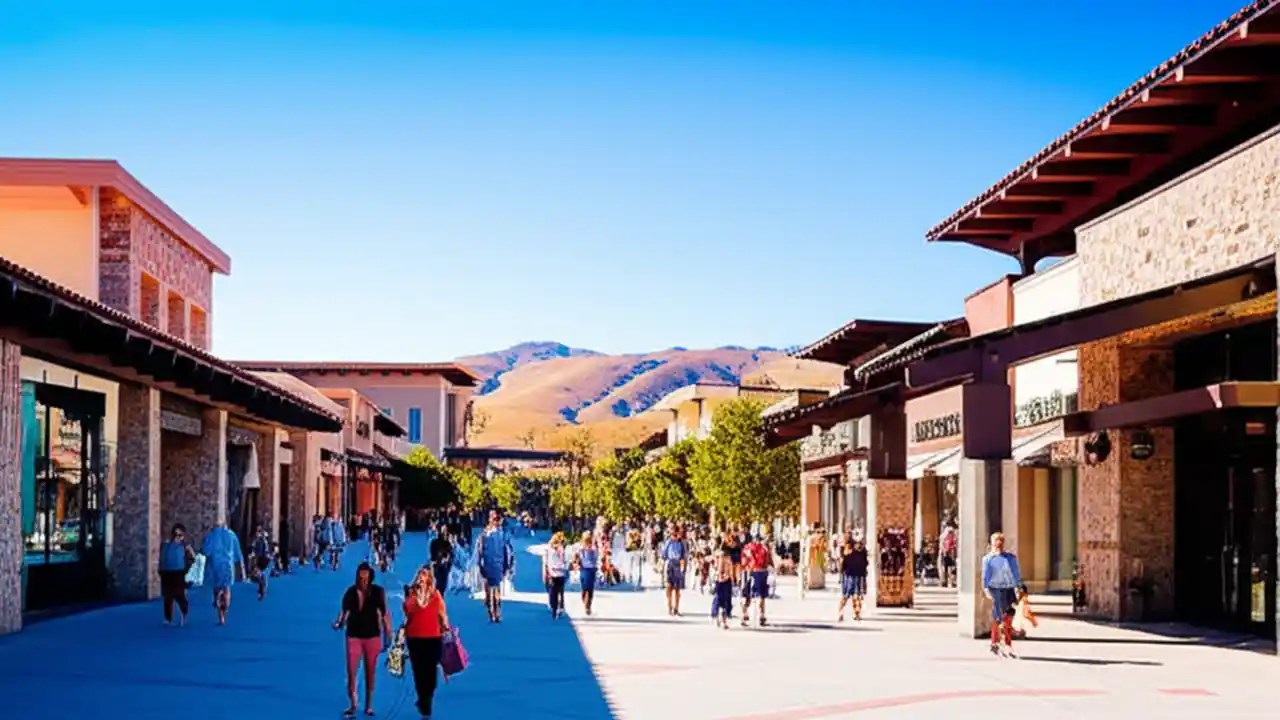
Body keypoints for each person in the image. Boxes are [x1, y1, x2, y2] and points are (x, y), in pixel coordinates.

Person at [333, 562, 392, 718]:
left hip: (372, 636)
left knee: (370, 672)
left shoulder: (378, 592)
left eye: (365, 577)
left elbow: (385, 613)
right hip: (354, 636)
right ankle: (353, 703)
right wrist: (339, 623)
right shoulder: (351, 593)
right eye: (360, 577)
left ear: (370, 577)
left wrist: (388, 633)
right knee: (351, 671)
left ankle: (369, 706)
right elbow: (344, 612)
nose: (362, 580)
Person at [403, 566, 450, 720]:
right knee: (418, 672)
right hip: (415, 638)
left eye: (424, 578)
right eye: (419, 578)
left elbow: (443, 614)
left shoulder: (436, 596)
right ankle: (424, 704)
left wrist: (446, 628)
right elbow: (407, 610)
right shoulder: (411, 595)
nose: (421, 581)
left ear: (429, 580)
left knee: (430, 674)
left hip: (433, 638)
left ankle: (425, 698)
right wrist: (414, 594)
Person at [982, 532, 1023, 656]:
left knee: (1006, 616)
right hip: (995, 588)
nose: (998, 544)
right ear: (992, 543)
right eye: (996, 541)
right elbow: (985, 575)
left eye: (1000, 541)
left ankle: (998, 642)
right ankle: (1001, 642)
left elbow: (1016, 572)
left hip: (1008, 588)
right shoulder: (988, 559)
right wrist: (986, 588)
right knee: (1002, 616)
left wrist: (1018, 587)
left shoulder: (1010, 558)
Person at [201, 523, 244, 626]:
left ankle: (220, 614)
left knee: (216, 587)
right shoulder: (231, 535)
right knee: (227, 589)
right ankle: (226, 608)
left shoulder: (211, 536)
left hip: (215, 565)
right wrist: (238, 562)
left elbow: (206, 551)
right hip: (227, 565)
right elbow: (237, 551)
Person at [477, 510, 513, 623]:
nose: (497, 522)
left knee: (495, 588)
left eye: (498, 519)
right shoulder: (485, 534)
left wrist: (507, 564)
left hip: (496, 564)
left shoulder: (500, 534)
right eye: (495, 519)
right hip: (491, 563)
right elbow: (480, 550)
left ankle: (495, 612)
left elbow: (507, 550)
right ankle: (493, 611)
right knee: (492, 588)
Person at [158, 523, 195, 627]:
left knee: (179, 595)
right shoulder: (166, 545)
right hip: (167, 572)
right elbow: (162, 557)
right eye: (175, 534)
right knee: (168, 596)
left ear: (183, 536)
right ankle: (168, 618)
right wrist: (160, 569)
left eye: (180, 535)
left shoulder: (185, 546)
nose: (177, 537)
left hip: (179, 573)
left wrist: (187, 570)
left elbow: (193, 559)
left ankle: (184, 614)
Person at [740, 534, 772, 627]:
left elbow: (743, 561)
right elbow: (768, 561)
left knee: (747, 594)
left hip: (750, 572)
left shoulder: (747, 548)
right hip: (761, 572)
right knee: (761, 595)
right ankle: (761, 616)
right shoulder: (764, 548)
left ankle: (744, 615)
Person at [838, 539, 869, 621]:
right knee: (852, 595)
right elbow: (865, 565)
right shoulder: (860, 553)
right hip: (851, 576)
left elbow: (843, 565)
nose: (859, 546)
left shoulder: (854, 553)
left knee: (854, 596)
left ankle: (854, 613)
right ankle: (846, 613)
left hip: (853, 576)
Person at [661, 524, 688, 616]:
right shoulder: (668, 542)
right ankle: (669, 606)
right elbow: (663, 554)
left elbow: (683, 557)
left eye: (676, 535)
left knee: (677, 589)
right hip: (670, 565)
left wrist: (683, 569)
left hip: (678, 565)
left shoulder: (681, 544)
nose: (675, 537)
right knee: (669, 587)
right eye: (673, 535)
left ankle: (676, 608)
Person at [543, 532, 570, 619]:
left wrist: (545, 571)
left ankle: (555, 607)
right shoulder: (560, 548)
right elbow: (565, 561)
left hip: (553, 573)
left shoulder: (550, 548)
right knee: (560, 591)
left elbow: (545, 561)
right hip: (560, 572)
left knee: (553, 591)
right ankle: (560, 608)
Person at [574, 531, 600, 616]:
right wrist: (576, 562)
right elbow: (576, 556)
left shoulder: (593, 548)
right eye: (586, 540)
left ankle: (588, 606)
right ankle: (585, 603)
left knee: (590, 588)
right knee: (584, 588)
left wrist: (593, 549)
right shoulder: (580, 548)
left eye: (589, 540)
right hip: (583, 569)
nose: (587, 542)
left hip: (591, 569)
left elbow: (596, 557)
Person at [710, 549, 734, 629]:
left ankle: (722, 620)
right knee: (720, 600)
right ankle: (719, 618)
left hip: (724, 581)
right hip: (720, 582)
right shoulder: (721, 560)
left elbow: (729, 572)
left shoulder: (727, 560)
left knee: (724, 601)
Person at [249, 526, 273, 601]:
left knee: (262, 574)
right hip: (261, 559)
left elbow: (263, 550)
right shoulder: (259, 540)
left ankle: (262, 589)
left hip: (262, 559)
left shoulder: (261, 540)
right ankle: (262, 588)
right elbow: (254, 548)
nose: (258, 533)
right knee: (262, 574)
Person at [429, 525, 454, 594]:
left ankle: (439, 598)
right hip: (439, 565)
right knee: (440, 584)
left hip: (441, 565)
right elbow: (432, 555)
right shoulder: (435, 542)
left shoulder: (444, 543)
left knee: (441, 585)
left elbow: (450, 555)